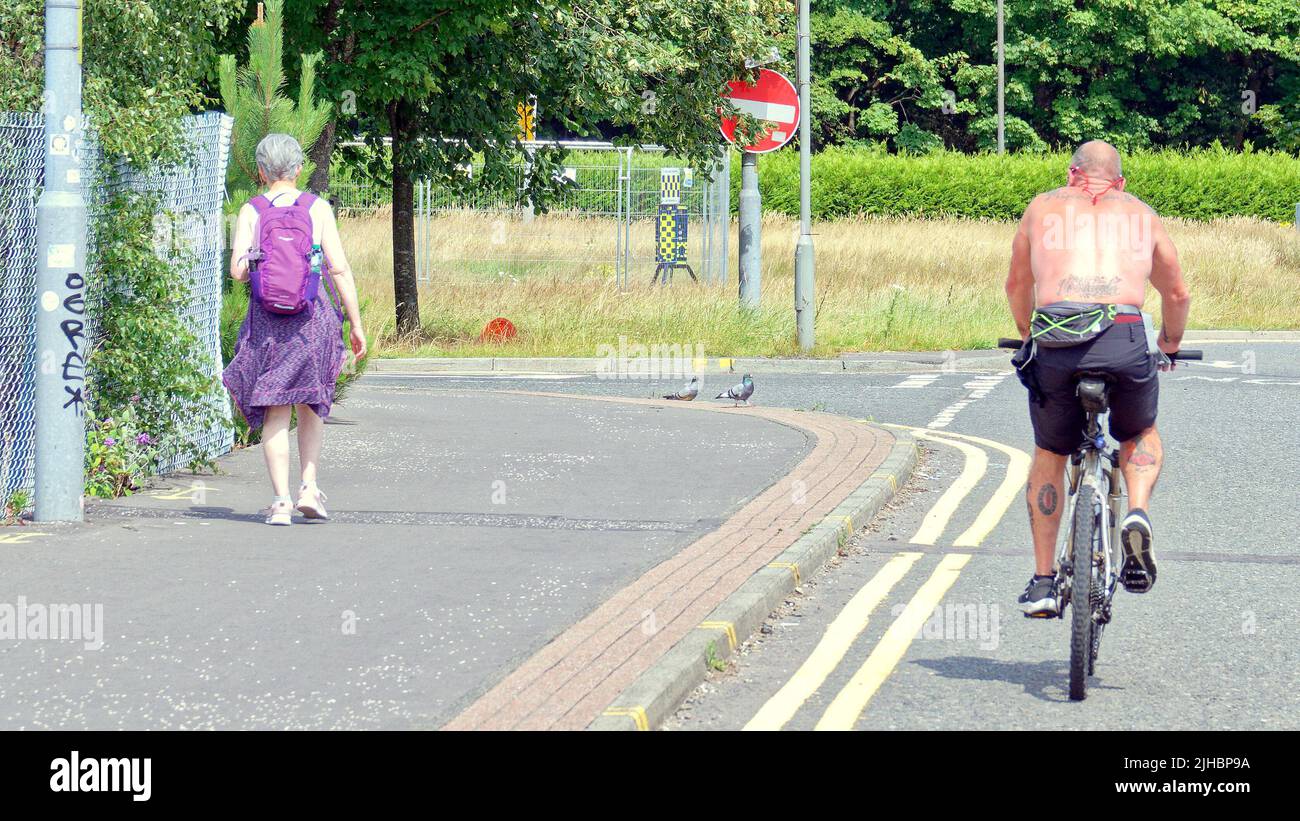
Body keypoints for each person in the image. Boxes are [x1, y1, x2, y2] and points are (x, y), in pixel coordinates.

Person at [1005, 140, 1191, 616]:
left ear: (1071, 174)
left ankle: (1044, 581)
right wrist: (1168, 344)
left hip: (1056, 340)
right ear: (1120, 182)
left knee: (1050, 451)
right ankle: (1137, 510)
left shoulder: (1042, 208)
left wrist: (1028, 335)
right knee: (1137, 431)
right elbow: (1177, 292)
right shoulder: (1141, 214)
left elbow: (1018, 286)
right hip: (1124, 336)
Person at [223, 133, 367, 526]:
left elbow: (237, 271)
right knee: (310, 403)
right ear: (299, 168)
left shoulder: (251, 210)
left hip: (267, 323)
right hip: (312, 320)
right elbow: (338, 268)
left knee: (275, 409)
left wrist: (258, 259)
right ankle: (309, 486)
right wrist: (355, 323)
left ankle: (281, 502)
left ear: (260, 171)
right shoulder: (317, 208)